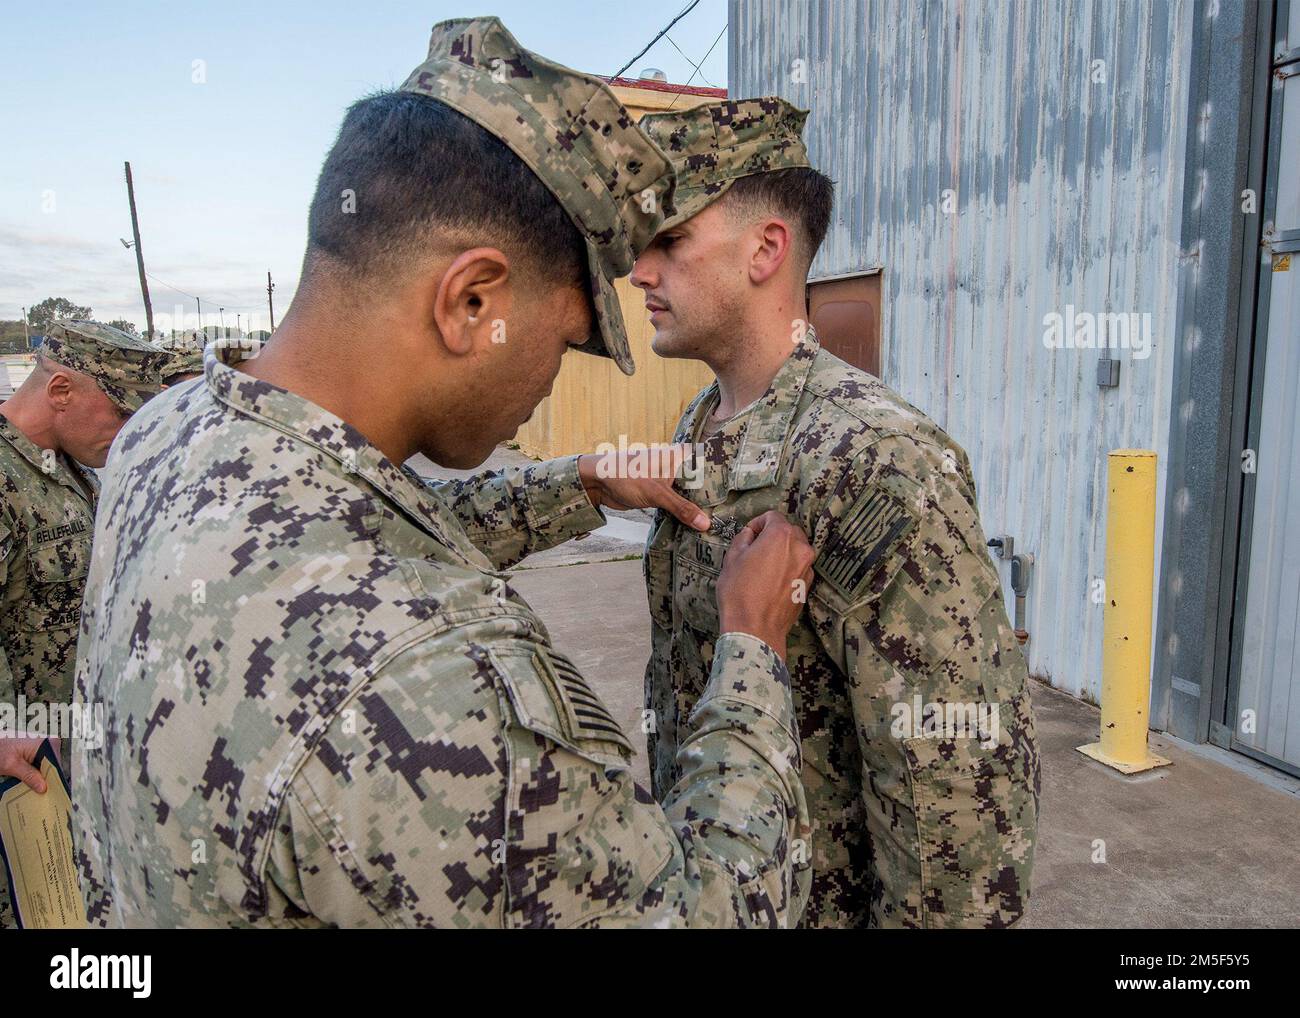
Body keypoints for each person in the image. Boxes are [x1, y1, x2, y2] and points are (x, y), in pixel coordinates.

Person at [72, 17, 814, 929]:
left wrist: (576, 483)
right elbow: (705, 915)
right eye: (567, 343)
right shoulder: (434, 692)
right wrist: (751, 650)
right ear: (471, 301)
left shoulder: (169, 435)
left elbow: (356, 523)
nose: (547, 385)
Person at [633, 97, 1040, 928]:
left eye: (669, 241)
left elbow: (954, 798)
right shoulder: (700, 425)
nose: (641, 271)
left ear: (765, 250)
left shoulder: (875, 459)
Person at [0, 318, 164, 927]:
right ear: (61, 390)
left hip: (73, 763)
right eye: (119, 414)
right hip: (22, 778)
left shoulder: (65, 469)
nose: (126, 434)